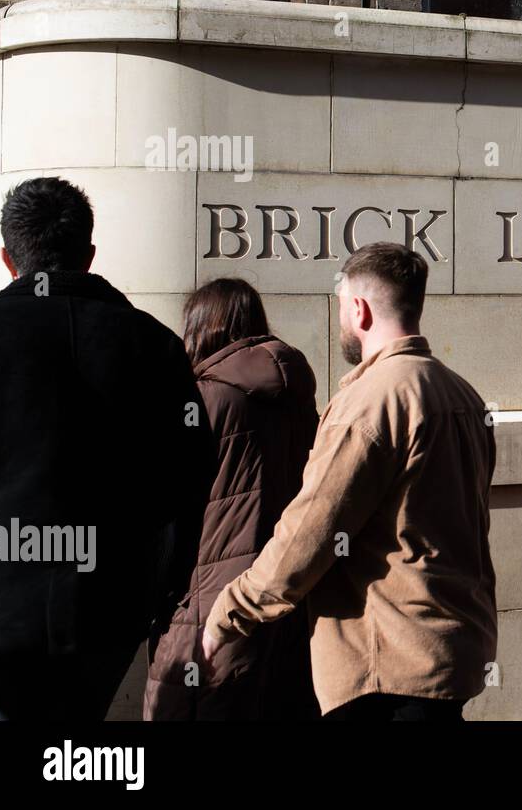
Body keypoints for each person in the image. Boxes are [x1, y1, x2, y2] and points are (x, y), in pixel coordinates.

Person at [201, 242, 498, 721]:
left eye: (341, 306)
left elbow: (310, 530)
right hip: (451, 650)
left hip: (387, 662)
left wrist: (229, 613)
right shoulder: (463, 394)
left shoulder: (370, 401)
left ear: (358, 309)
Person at [0, 176, 213, 720]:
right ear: (89, 255)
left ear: (7, 258)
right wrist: (160, 593)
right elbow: (188, 482)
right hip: (107, 609)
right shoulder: (154, 345)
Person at [144, 278, 321, 720]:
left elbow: (163, 504)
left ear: (202, 328)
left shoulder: (204, 399)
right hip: (284, 601)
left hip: (207, 605)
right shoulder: (300, 399)